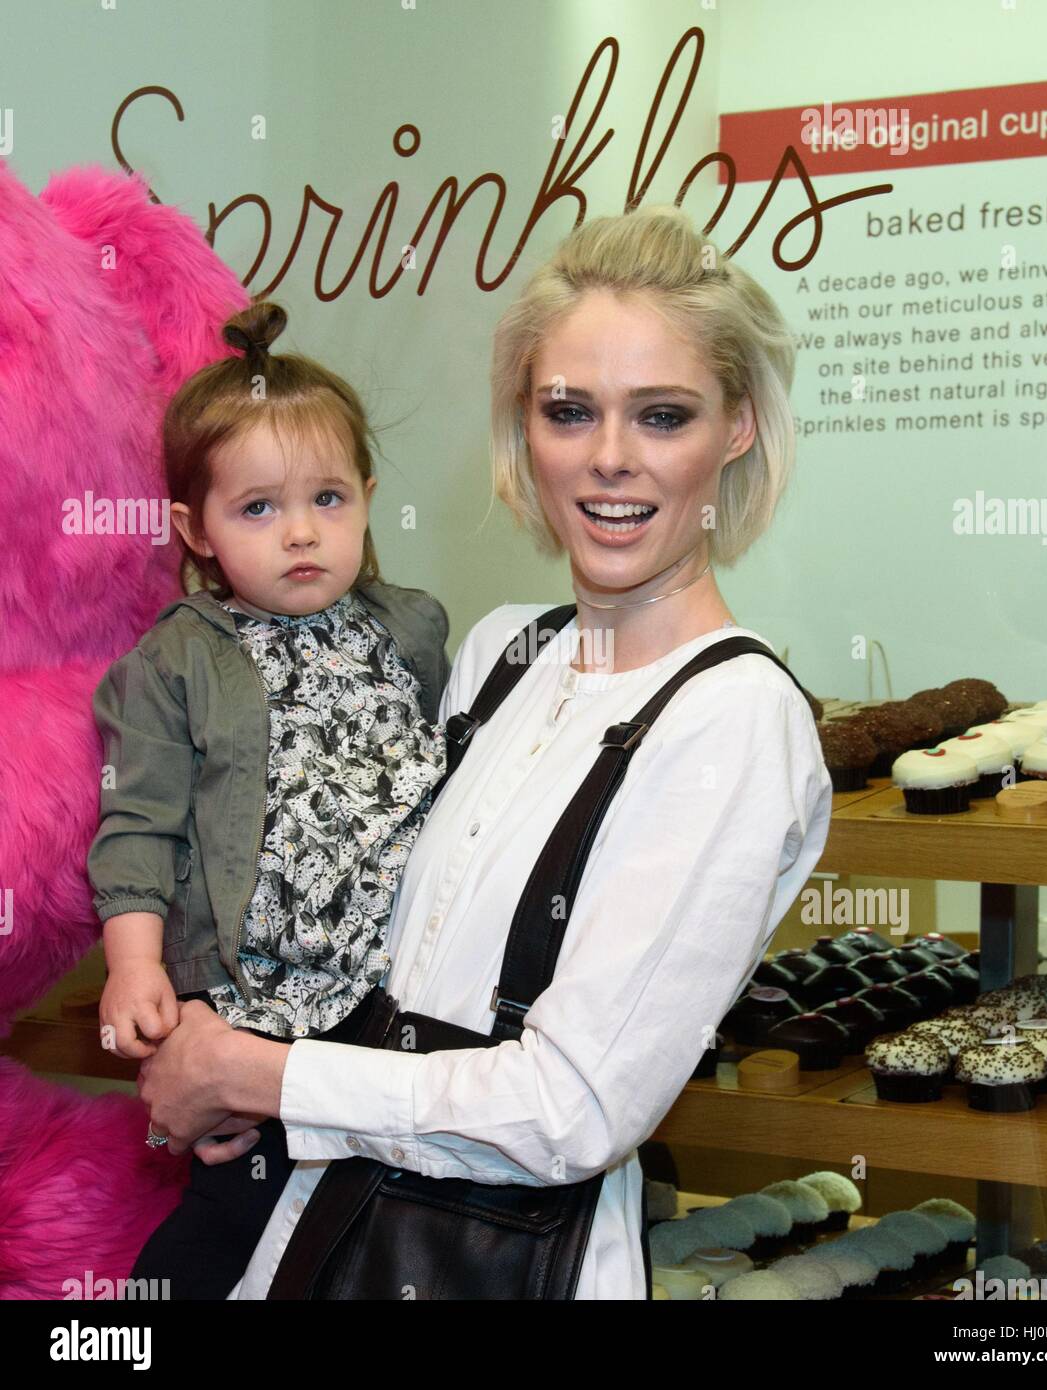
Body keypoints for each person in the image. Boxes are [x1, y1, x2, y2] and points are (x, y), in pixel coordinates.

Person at [135, 205, 833, 1300]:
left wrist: (265, 1074)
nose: (609, 459)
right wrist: (228, 1038)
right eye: (569, 410)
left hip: (504, 1261)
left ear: (736, 429)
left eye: (662, 415)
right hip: (326, 1230)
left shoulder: (735, 721)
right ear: (525, 424)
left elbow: (571, 1111)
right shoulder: (506, 650)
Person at [86, 301, 451, 1298]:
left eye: (328, 498)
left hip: (393, 995)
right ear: (192, 528)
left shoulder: (409, 632)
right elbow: (139, 823)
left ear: (369, 500)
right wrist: (136, 967)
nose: (301, 531)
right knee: (236, 1219)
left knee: (370, 1227)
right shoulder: (174, 665)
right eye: (257, 509)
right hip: (252, 1000)